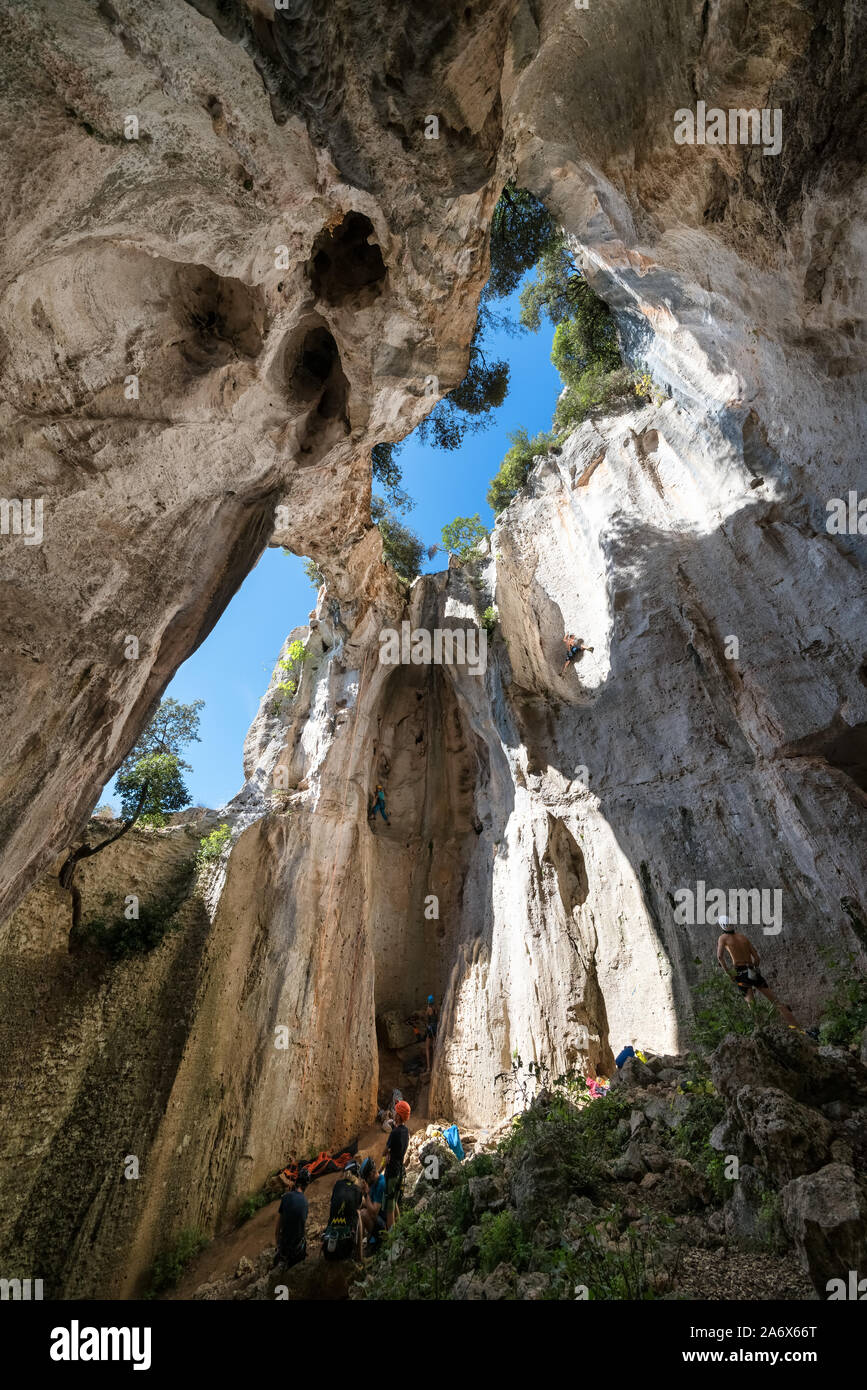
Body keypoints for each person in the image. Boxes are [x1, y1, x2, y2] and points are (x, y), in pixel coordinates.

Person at [716, 916, 802, 1028]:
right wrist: (754, 968)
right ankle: (797, 1029)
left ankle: (762, 1034)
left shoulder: (723, 938)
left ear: (722, 926)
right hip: (752, 970)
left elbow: (719, 956)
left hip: (741, 973)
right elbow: (756, 958)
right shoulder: (743, 937)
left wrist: (729, 973)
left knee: (753, 1007)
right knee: (776, 1002)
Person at [322, 1158, 364, 1261]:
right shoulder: (357, 1190)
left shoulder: (337, 1185)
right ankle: (360, 1257)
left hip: (328, 1249)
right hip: (345, 1249)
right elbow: (360, 1205)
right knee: (358, 1214)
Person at [383, 1099, 410, 1230]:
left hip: (392, 1172)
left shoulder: (394, 1133)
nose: (393, 1113)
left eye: (395, 1112)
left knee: (389, 1207)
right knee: (394, 1201)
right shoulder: (406, 1131)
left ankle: (391, 1238)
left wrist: (388, 1152)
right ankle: (400, 1229)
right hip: (400, 1171)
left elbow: (384, 1151)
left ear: (398, 1116)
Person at [274, 1169, 310, 1269]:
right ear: (306, 1185)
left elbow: (277, 1228)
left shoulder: (286, 1197)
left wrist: (278, 1246)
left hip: (284, 1249)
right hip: (297, 1251)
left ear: (296, 1182)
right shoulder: (305, 1203)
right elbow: (301, 1224)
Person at [360, 1157, 387, 1250]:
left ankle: (378, 1241)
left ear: (371, 1174)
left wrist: (366, 1194)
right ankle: (362, 1240)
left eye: (366, 1178)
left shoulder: (381, 1184)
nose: (366, 1181)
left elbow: (374, 1212)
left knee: (363, 1213)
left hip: (384, 1225)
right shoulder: (374, 1182)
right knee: (359, 1209)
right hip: (378, 1219)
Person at [424, 994, 438, 1073]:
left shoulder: (429, 1009)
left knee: (427, 1048)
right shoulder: (436, 1009)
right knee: (434, 1046)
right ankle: (434, 1064)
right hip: (436, 1028)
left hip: (430, 1028)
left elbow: (426, 1018)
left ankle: (429, 1067)